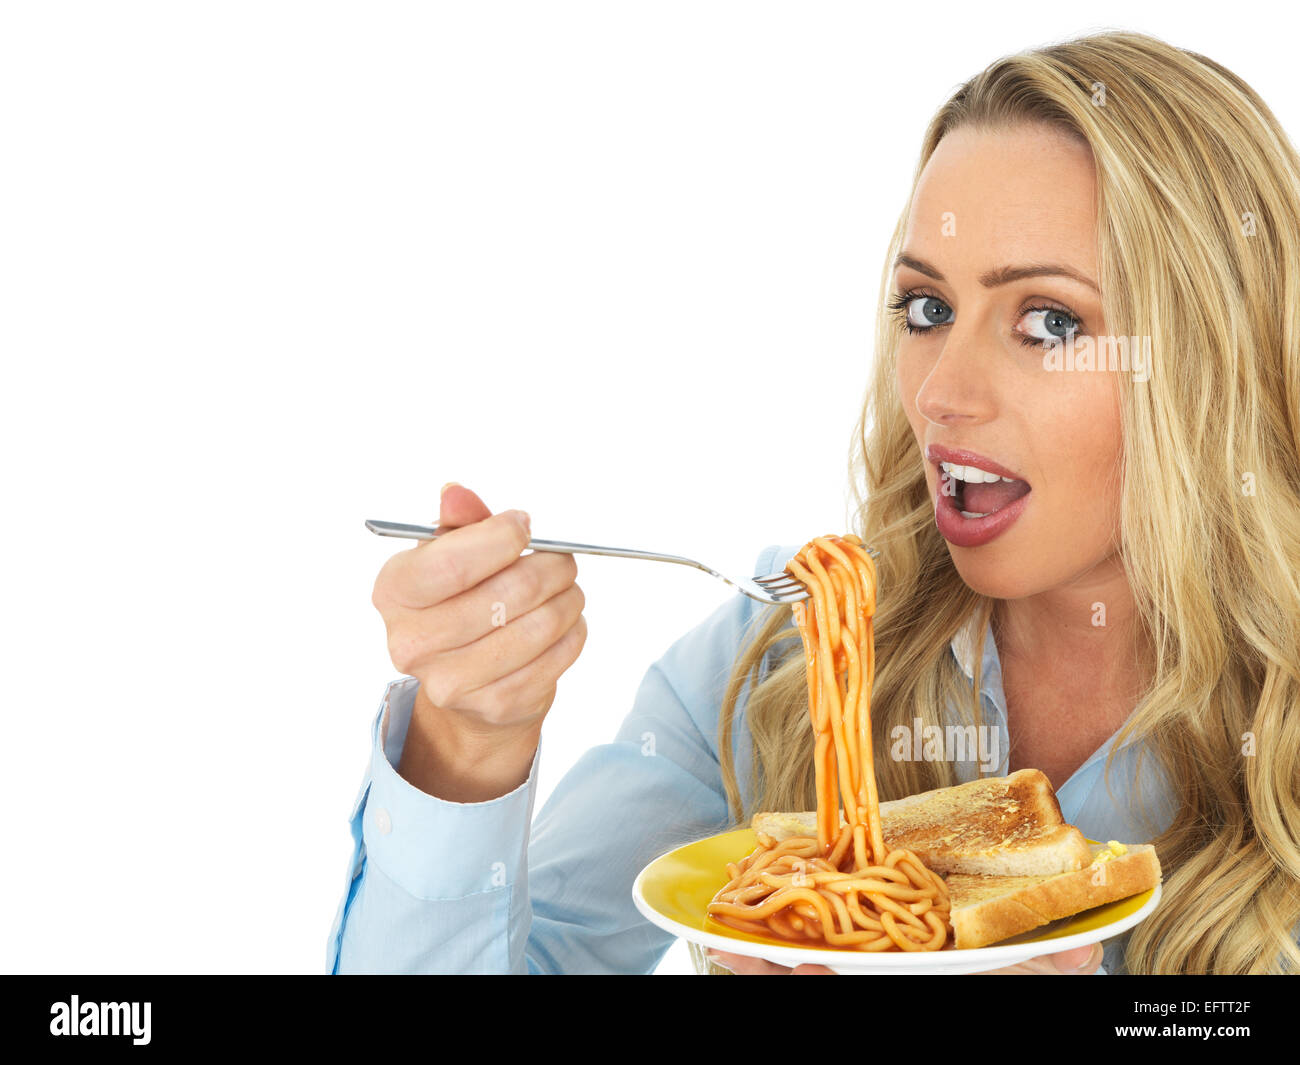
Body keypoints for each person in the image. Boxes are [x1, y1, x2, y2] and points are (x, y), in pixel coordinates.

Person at [328, 30, 1300, 975]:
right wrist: (466, 746)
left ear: (1209, 363)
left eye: (1047, 321)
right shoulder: (774, 663)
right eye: (928, 310)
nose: (941, 394)